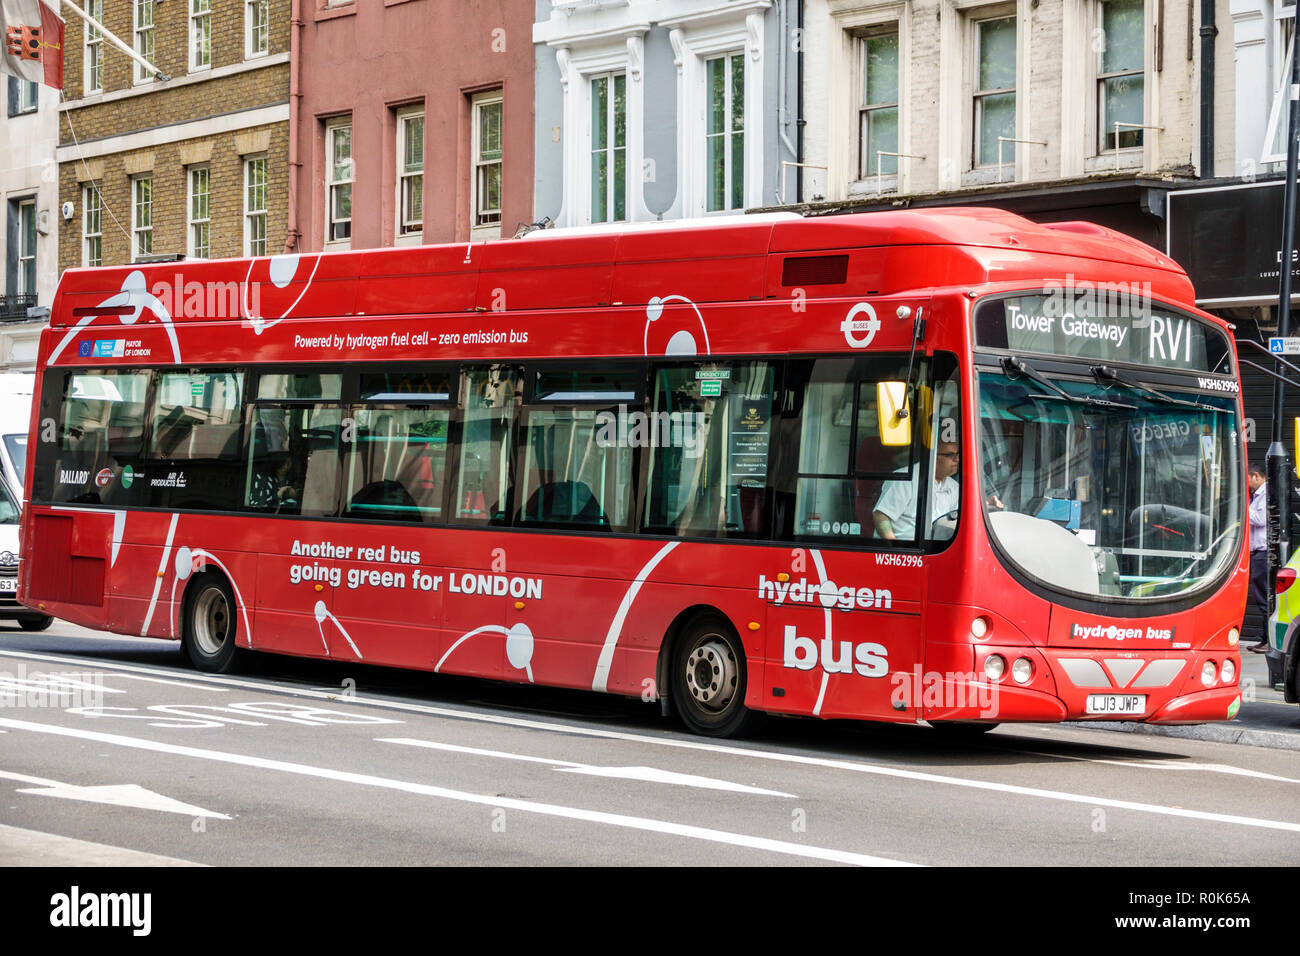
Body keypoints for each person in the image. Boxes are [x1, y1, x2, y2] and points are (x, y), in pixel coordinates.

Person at [874, 440, 961, 540]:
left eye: (957, 455)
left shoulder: (954, 486)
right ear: (933, 457)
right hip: (906, 548)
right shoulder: (905, 478)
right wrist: (894, 545)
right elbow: (881, 515)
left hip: (937, 548)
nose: (957, 459)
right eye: (950, 455)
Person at [1246, 463, 1269, 653]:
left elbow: (1260, 520)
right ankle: (1265, 639)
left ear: (1255, 476)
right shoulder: (1257, 496)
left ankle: (1269, 641)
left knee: (1264, 599)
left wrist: (1242, 507)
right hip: (1257, 554)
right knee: (1261, 598)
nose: (1247, 485)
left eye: (1247, 479)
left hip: (1263, 553)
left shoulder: (1266, 494)